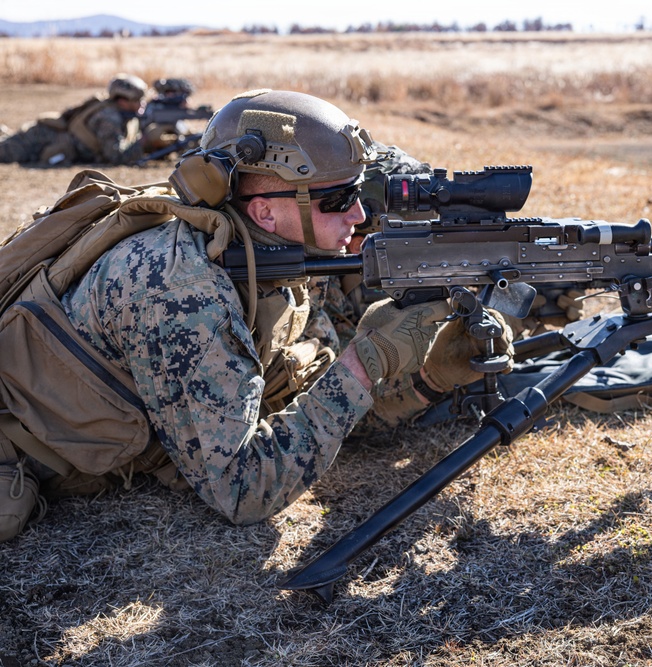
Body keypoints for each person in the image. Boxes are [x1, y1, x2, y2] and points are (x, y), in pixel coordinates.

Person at [0, 89, 513, 540]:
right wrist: (368, 360)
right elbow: (243, 491)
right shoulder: (182, 289)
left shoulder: (264, 257)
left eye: (359, 194)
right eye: (338, 199)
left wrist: (429, 380)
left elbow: (308, 410)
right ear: (264, 208)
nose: (358, 216)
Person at [0, 74, 148, 166]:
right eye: (137, 100)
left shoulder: (123, 114)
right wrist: (146, 142)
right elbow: (116, 156)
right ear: (122, 101)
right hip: (42, 138)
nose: (142, 104)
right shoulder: (108, 117)